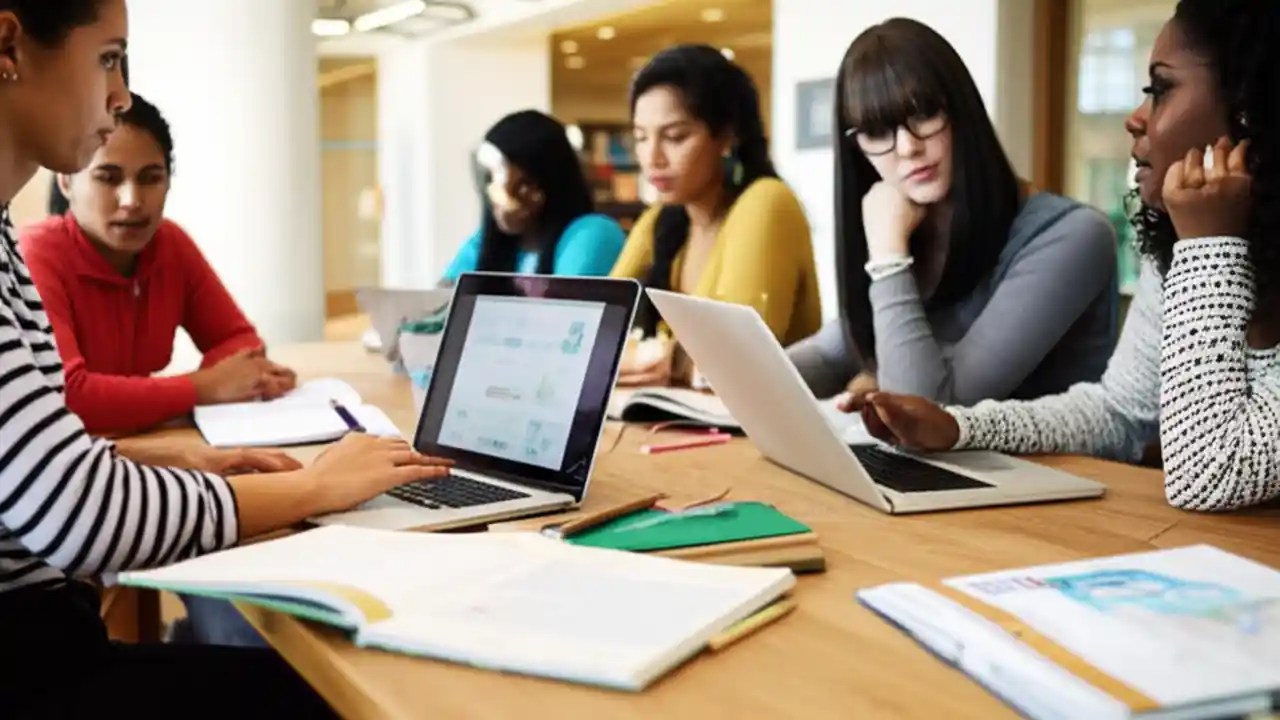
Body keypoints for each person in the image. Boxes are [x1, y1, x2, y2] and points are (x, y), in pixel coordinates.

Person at [0, 1, 451, 715]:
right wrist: (309, 487)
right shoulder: (29, 248)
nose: (119, 95)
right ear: (8, 46)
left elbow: (43, 474)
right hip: (30, 658)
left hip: (50, 631)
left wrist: (169, 461)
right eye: (110, 57)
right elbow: (74, 513)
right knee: (343, 691)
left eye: (151, 178)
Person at [852, 0, 1280, 512]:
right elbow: (1121, 413)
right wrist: (961, 427)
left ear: (1250, 107)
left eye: (1160, 90)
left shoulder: (1191, 239)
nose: (1135, 118)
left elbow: (1210, 474)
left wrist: (1210, 246)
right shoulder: (1178, 243)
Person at [787, 18, 1118, 406]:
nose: (908, 147)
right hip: (934, 468)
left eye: (924, 113)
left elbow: (932, 409)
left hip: (1049, 467)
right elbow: (833, 353)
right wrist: (732, 375)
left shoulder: (1072, 235)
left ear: (960, 110)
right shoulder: (916, 227)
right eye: (878, 131)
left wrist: (889, 258)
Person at [21, 91, 296, 436]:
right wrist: (206, 387)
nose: (133, 200)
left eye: (151, 178)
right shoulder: (36, 253)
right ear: (66, 180)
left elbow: (239, 340)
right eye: (108, 177)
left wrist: (235, 379)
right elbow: (69, 398)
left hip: (137, 446)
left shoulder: (170, 244)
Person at [611, 44, 821, 386]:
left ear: (727, 135)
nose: (652, 157)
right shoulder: (662, 220)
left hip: (753, 433)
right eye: (640, 137)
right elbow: (596, 327)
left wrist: (654, 358)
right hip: (678, 427)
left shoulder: (765, 202)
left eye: (675, 136)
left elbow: (731, 359)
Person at [439, 109, 625, 285]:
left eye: (523, 184)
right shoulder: (484, 242)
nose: (504, 201)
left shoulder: (593, 233)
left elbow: (565, 311)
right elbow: (439, 307)